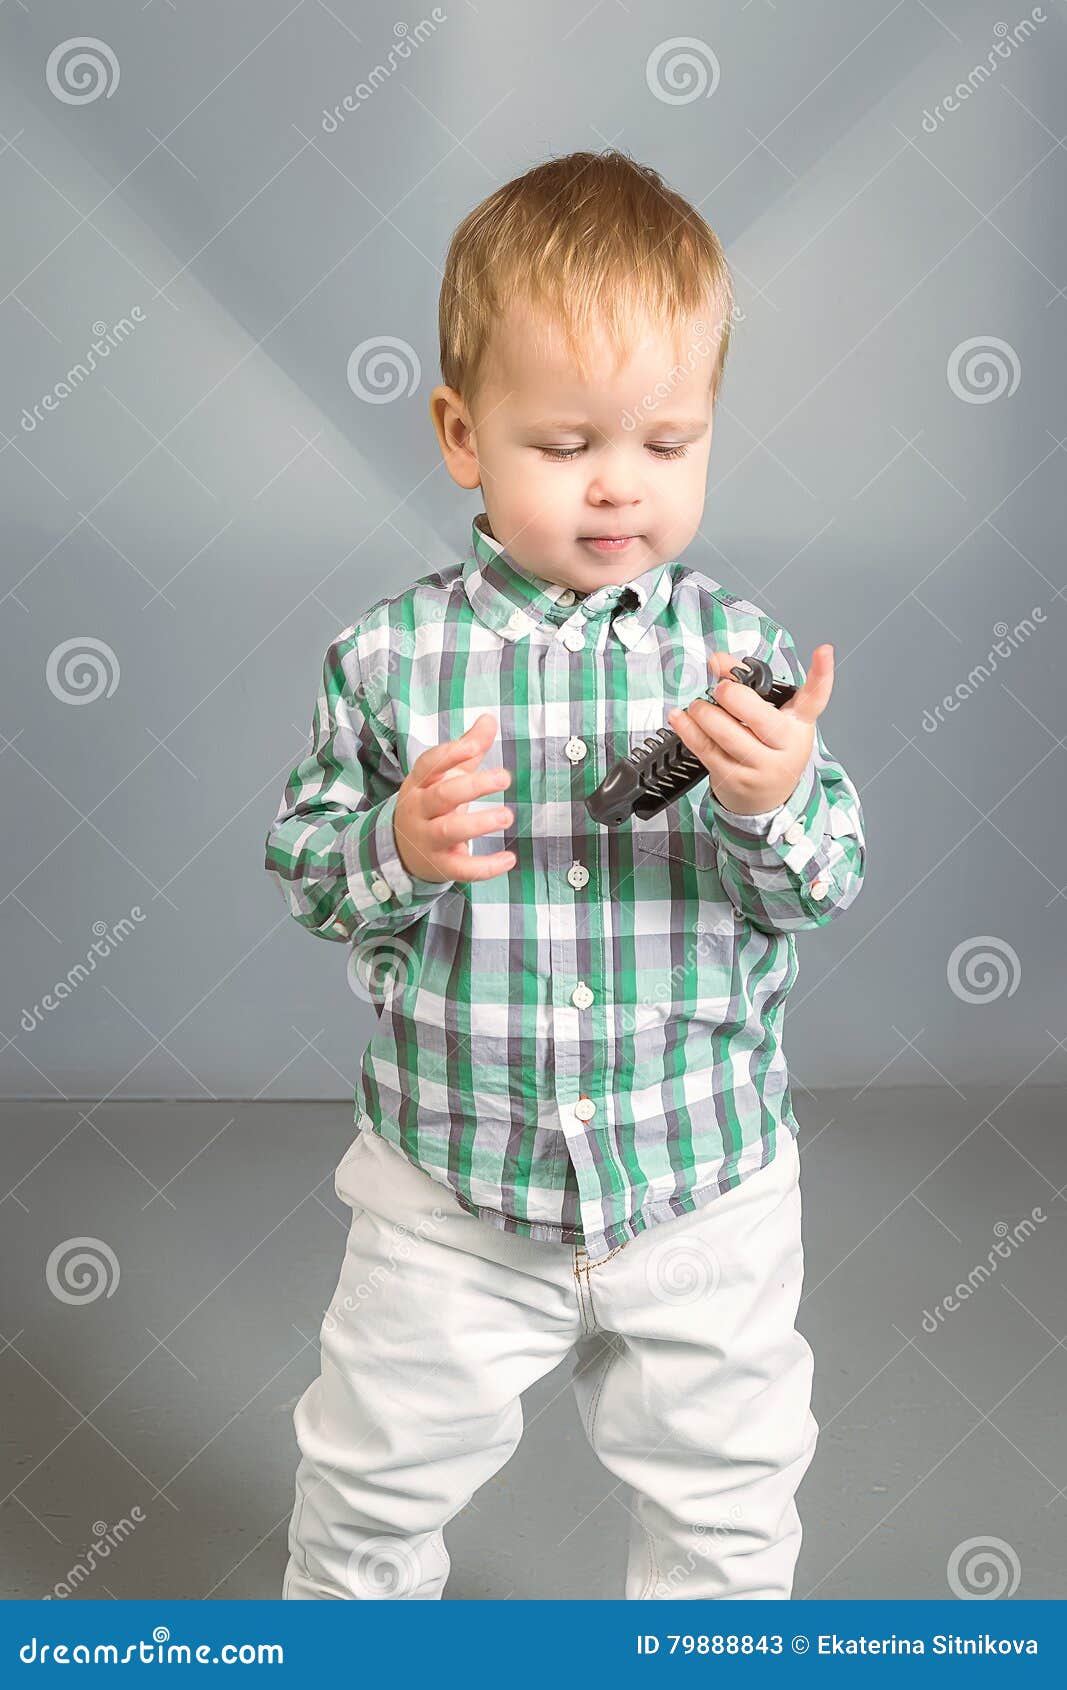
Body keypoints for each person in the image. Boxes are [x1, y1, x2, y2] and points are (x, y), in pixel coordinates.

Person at [264, 148, 867, 1601]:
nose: (620, 486)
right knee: (362, 1505)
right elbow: (306, 869)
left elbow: (819, 886)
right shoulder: (389, 659)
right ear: (463, 432)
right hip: (451, 1191)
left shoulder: (740, 657)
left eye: (668, 443)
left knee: (732, 1521)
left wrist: (775, 799)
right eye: (565, 443)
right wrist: (393, 848)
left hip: (702, 1186)